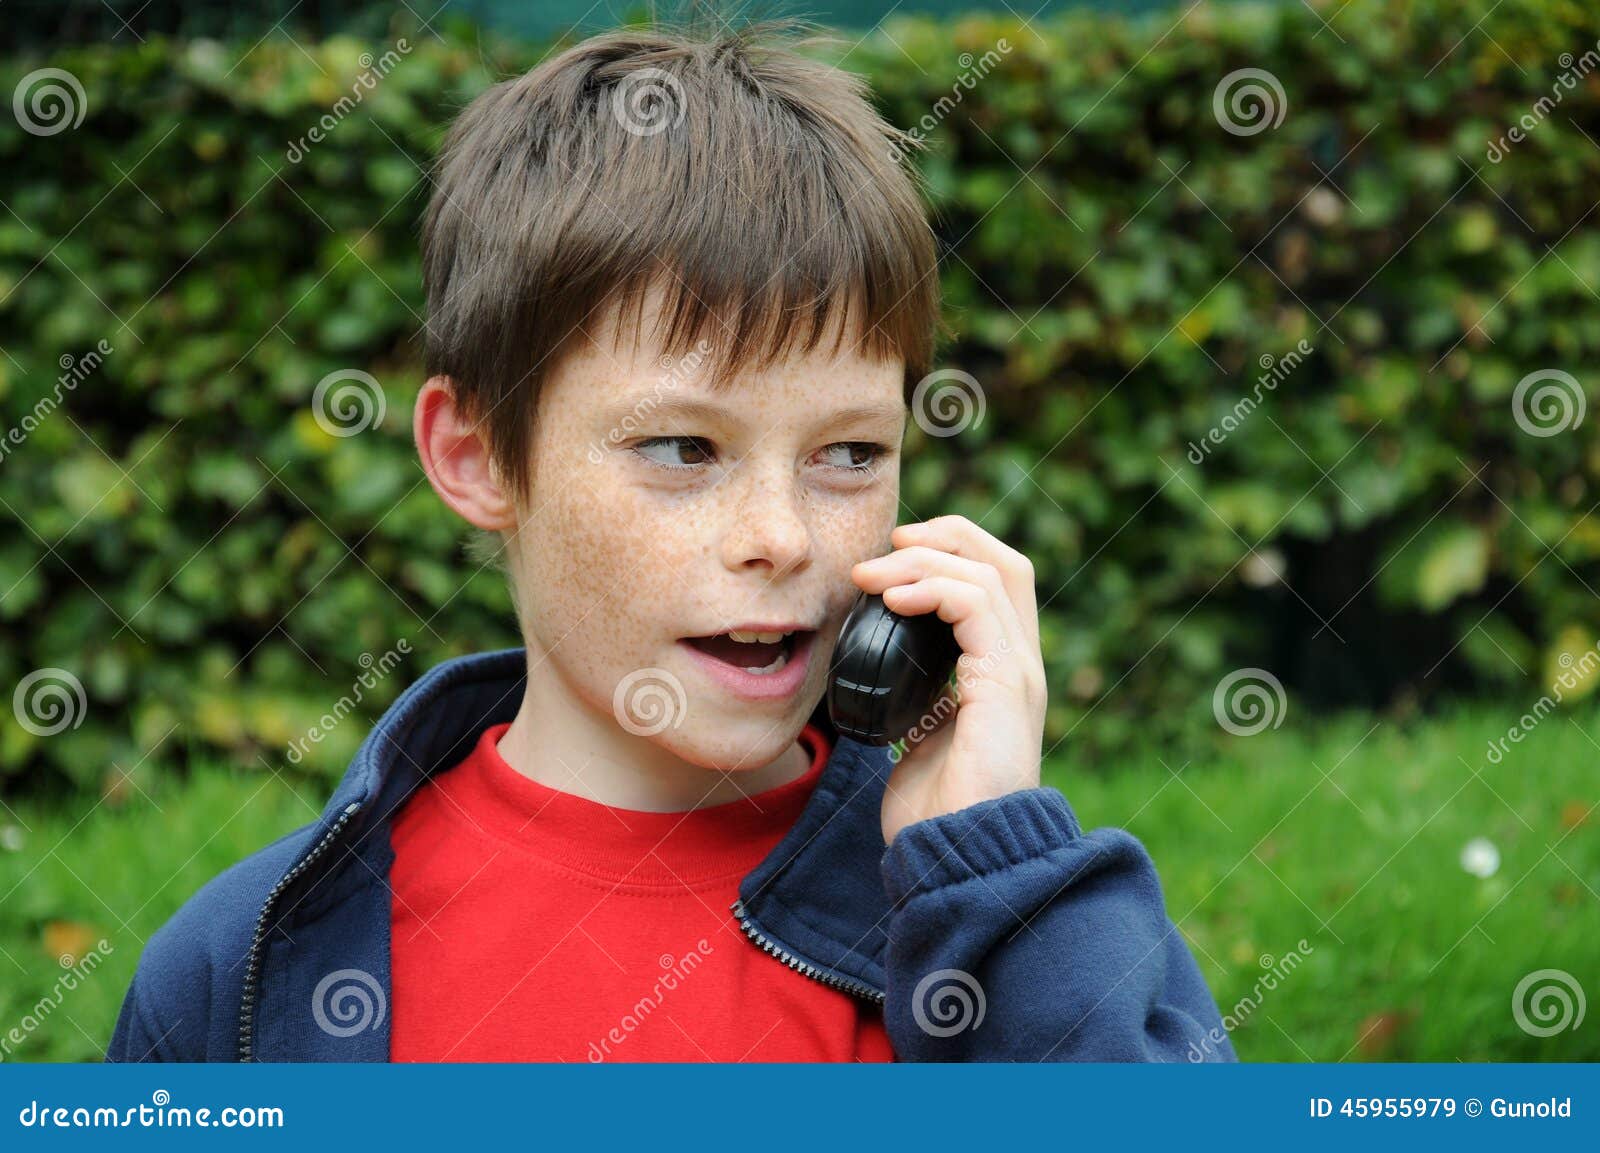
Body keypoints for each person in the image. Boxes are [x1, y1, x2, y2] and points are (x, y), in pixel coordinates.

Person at [106, 15, 1237, 1063]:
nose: (781, 537)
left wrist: (1004, 876)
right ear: (478, 454)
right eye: (684, 449)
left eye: (849, 454)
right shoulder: (239, 968)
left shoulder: (994, 918)